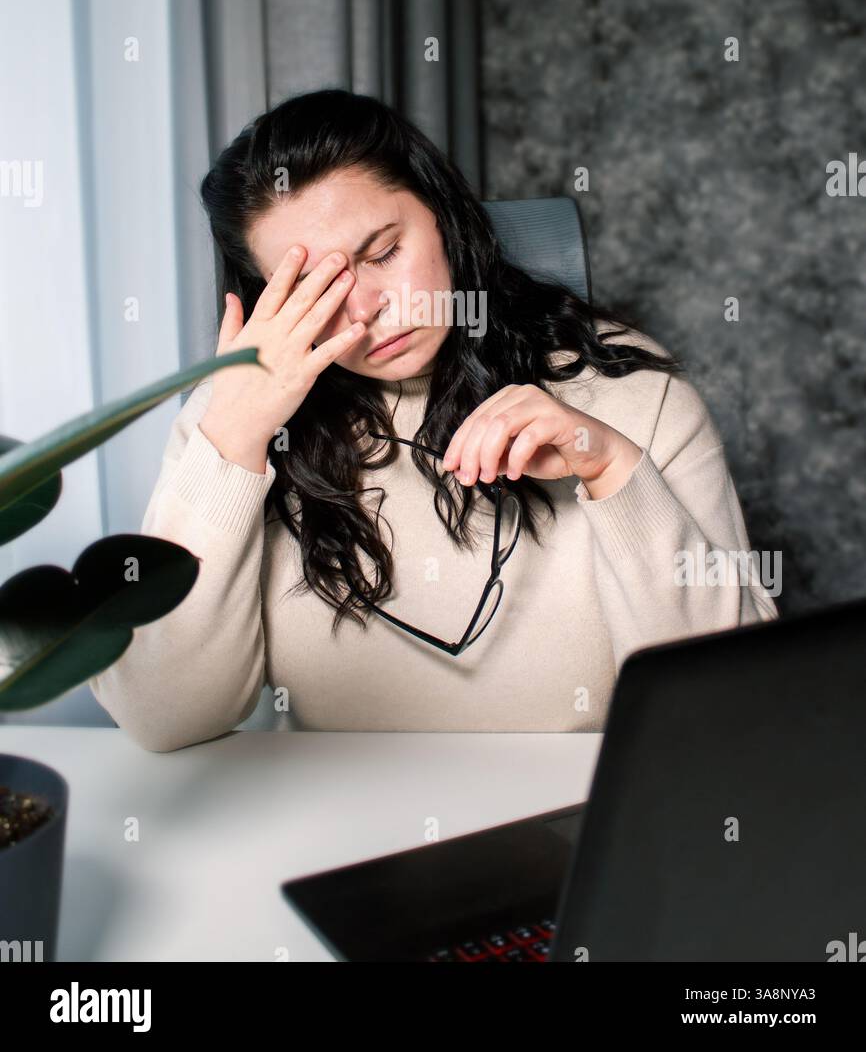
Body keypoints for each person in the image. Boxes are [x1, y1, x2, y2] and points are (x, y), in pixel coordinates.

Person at [90, 89, 779, 751]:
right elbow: (163, 718)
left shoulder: (628, 388)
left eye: (383, 254)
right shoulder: (233, 417)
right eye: (313, 289)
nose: (366, 312)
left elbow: (731, 700)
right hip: (346, 842)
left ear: (443, 214)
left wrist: (610, 467)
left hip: (584, 828)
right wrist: (232, 441)